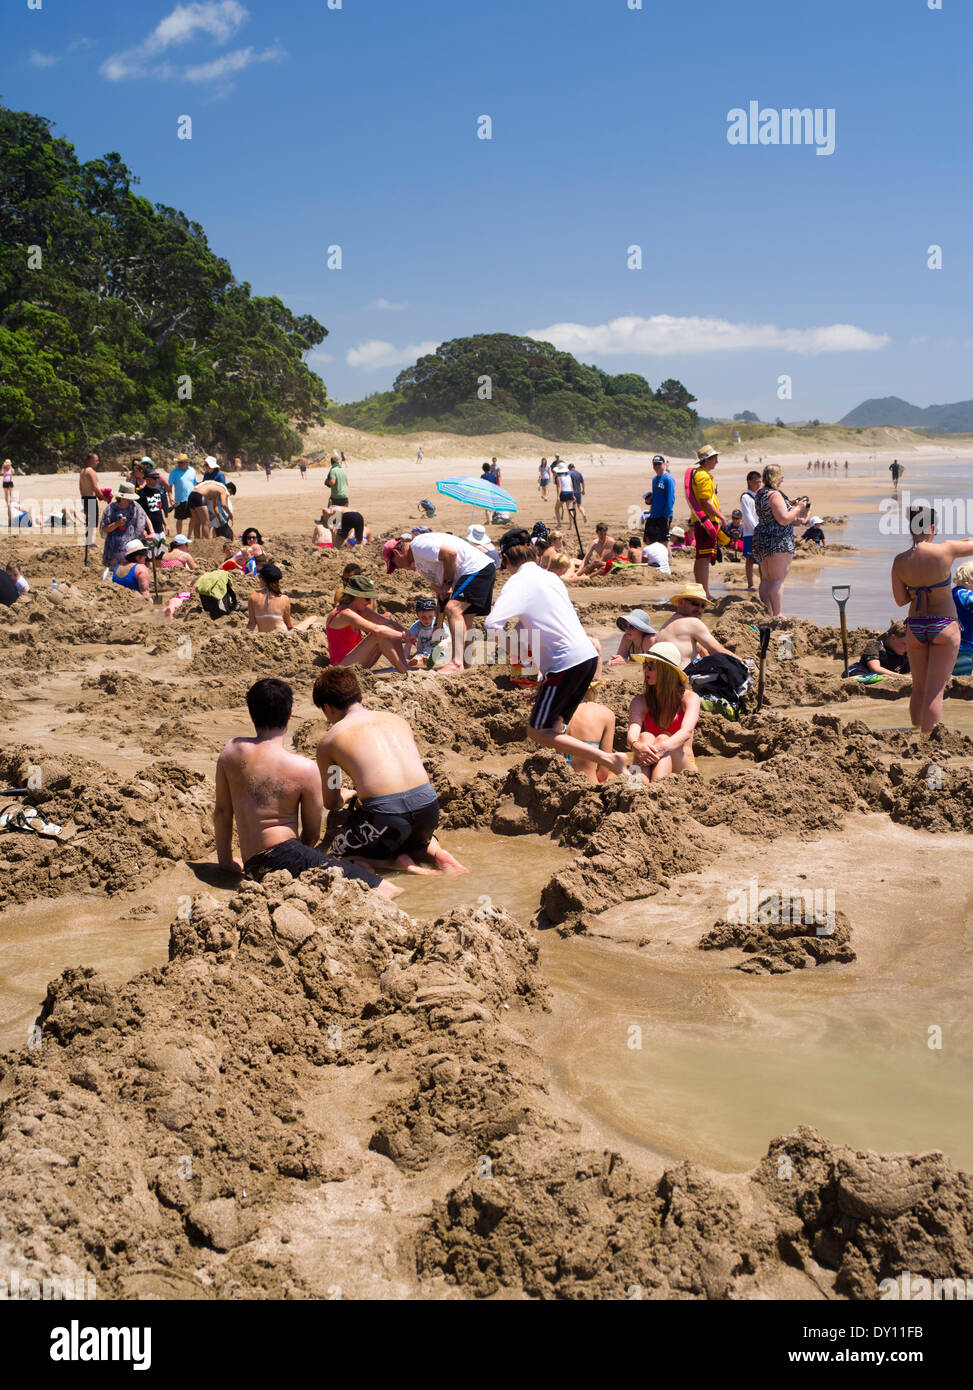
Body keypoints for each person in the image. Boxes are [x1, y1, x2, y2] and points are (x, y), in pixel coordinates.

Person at [214, 676, 398, 895]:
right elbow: (311, 835)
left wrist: (225, 861)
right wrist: (305, 863)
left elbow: (222, 812)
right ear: (290, 714)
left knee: (354, 869)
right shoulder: (303, 768)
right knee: (387, 889)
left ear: (252, 712)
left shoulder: (230, 752)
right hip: (284, 855)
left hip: (254, 864)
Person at [483, 538, 627, 776]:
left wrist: (512, 650)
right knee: (556, 724)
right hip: (588, 657)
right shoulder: (549, 577)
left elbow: (491, 624)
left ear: (506, 560)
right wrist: (539, 667)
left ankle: (608, 759)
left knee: (537, 731)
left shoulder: (518, 581)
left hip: (565, 663)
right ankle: (564, 773)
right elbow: (534, 623)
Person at [312, 667, 466, 874]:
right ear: (359, 695)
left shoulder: (329, 741)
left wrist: (348, 794)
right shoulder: (397, 721)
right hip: (428, 808)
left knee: (336, 853)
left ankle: (399, 865)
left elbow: (331, 802)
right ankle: (435, 851)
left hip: (387, 815)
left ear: (328, 708)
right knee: (412, 837)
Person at [891, 505, 973, 731]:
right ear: (933, 528)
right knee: (936, 690)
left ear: (910, 527)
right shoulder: (945, 550)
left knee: (919, 687)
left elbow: (900, 600)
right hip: (943, 624)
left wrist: (919, 588)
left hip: (916, 625)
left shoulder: (900, 560)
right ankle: (927, 741)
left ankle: (916, 731)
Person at [387, 531, 496, 673]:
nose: (398, 569)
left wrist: (447, 583)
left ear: (397, 553)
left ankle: (456, 663)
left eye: (394, 565)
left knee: (453, 609)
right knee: (465, 618)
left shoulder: (417, 545)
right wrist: (437, 626)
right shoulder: (421, 566)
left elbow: (450, 554)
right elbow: (442, 595)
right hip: (480, 569)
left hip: (475, 568)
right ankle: (466, 665)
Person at [627, 643, 701, 781]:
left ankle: (655, 791)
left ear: (667, 671)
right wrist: (636, 746)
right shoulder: (640, 701)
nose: (646, 670)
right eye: (645, 665)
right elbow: (633, 731)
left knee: (663, 738)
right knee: (645, 737)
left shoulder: (689, 698)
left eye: (651, 666)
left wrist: (662, 747)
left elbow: (687, 732)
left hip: (685, 768)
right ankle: (636, 790)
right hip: (652, 759)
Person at [752, 465, 811, 617]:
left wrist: (790, 504)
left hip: (762, 538)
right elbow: (784, 519)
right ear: (775, 477)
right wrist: (798, 508)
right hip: (777, 540)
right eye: (781, 476)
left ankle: (768, 612)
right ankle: (777, 614)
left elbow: (772, 513)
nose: (783, 479)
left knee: (766, 579)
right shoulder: (774, 494)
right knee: (777, 580)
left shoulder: (760, 493)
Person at [324, 574, 412, 671]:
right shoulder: (345, 614)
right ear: (356, 596)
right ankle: (403, 671)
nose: (370, 603)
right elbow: (376, 630)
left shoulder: (360, 610)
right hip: (341, 667)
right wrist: (403, 635)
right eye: (367, 598)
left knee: (389, 627)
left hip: (356, 662)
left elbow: (389, 623)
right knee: (379, 635)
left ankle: (405, 666)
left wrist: (407, 632)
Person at [653, 584, 734, 668]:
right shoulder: (693, 622)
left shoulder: (667, 625)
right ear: (681, 602)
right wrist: (744, 663)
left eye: (703, 606)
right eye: (695, 604)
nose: (699, 610)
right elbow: (719, 652)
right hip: (680, 680)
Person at [688, 445, 728, 599]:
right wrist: (722, 517)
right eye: (715, 458)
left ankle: (702, 591)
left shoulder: (699, 474)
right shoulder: (703, 476)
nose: (717, 461)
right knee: (704, 557)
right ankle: (705, 593)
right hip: (707, 522)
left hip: (702, 521)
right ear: (707, 460)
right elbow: (705, 502)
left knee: (701, 557)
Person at [248, 563, 323, 634]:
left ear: (262, 579)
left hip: (264, 637)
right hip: (283, 635)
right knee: (314, 618)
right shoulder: (284, 599)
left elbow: (251, 624)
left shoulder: (253, 596)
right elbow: (289, 624)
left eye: (259, 577)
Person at [563, 699, 617, 783]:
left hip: (560, 783)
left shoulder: (556, 713)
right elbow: (602, 775)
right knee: (629, 774)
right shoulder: (606, 714)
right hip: (588, 786)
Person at [100, 482, 151, 567]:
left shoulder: (135, 506)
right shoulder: (110, 509)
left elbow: (145, 517)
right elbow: (104, 529)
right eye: (127, 498)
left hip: (132, 548)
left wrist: (150, 531)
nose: (129, 500)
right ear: (121, 497)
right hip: (114, 549)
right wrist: (116, 524)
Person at [408, 595, 452, 667]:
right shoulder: (416, 627)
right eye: (423, 617)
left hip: (437, 650)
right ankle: (416, 660)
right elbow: (408, 644)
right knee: (418, 656)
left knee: (437, 654)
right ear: (417, 615)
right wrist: (403, 658)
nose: (427, 620)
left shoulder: (439, 624)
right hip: (422, 651)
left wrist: (445, 641)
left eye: (430, 617)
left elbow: (450, 637)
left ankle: (428, 659)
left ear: (434, 614)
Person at [79, 452, 108, 550]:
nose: (98, 462)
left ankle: (88, 541)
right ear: (90, 460)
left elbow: (81, 487)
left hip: (84, 497)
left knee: (89, 520)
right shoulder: (90, 471)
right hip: (90, 498)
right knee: (92, 521)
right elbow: (95, 488)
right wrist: (104, 497)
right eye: (96, 460)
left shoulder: (82, 471)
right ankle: (90, 542)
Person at [644, 455, 675, 547]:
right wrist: (649, 500)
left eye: (659, 464)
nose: (657, 466)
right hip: (653, 514)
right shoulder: (654, 479)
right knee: (648, 539)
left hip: (664, 515)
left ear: (664, 464)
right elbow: (657, 496)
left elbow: (670, 498)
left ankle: (667, 561)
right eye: (655, 464)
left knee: (663, 542)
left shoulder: (668, 479)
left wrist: (666, 516)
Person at [739, 470, 761, 593]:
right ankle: (750, 584)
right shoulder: (746, 497)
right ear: (749, 482)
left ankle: (763, 582)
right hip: (750, 533)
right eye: (756, 482)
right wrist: (756, 529)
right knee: (750, 559)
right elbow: (747, 516)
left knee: (761, 560)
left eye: (760, 482)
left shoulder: (760, 496)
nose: (758, 484)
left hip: (760, 531)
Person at [167, 454, 198, 536]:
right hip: (179, 499)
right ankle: (179, 535)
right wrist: (171, 498)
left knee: (193, 517)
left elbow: (196, 484)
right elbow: (169, 487)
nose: (179, 464)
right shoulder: (173, 472)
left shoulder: (192, 471)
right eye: (178, 462)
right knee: (179, 519)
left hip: (192, 499)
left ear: (187, 463)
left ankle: (189, 535)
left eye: (181, 462)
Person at [952, 562, 973, 677]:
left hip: (955, 642)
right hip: (964, 644)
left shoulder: (953, 593)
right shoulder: (965, 594)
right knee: (963, 677)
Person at [138, 468, 170, 542]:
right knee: (149, 553)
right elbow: (139, 514)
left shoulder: (158, 492)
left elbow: (160, 509)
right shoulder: (141, 494)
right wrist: (142, 530)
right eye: (154, 478)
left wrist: (166, 525)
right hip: (149, 532)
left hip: (160, 530)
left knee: (162, 552)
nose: (157, 480)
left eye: (157, 478)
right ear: (147, 479)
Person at [552, 457, 574, 524]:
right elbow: (571, 486)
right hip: (570, 492)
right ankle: (571, 524)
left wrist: (558, 496)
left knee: (556, 509)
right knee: (570, 509)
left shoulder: (559, 477)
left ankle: (559, 524)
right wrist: (573, 495)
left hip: (563, 493)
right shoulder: (568, 476)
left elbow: (559, 487)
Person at [2, 459, 14, 526]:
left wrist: (10, 466)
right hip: (5, 482)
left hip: (10, 482)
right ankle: (7, 503)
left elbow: (13, 472)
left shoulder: (10, 469)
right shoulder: (4, 469)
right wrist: (3, 466)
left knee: (11, 494)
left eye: (8, 464)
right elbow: (1, 473)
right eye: (7, 464)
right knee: (6, 494)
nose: (7, 465)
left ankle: (11, 502)